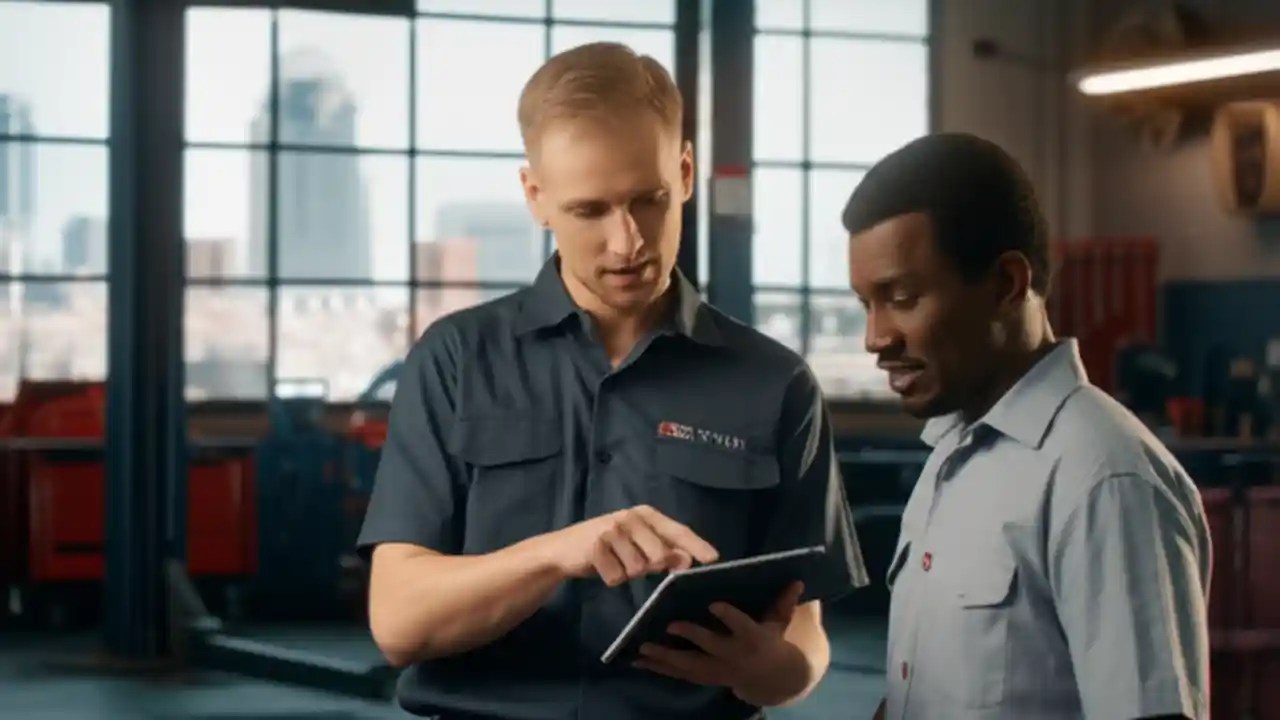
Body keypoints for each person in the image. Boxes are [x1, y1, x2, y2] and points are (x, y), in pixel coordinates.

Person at [357, 42, 868, 720]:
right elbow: (399, 623)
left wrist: (775, 673)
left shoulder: (775, 384)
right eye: (589, 210)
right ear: (536, 197)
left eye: (648, 201)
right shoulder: (456, 361)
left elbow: (804, 632)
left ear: (685, 173)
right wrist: (556, 555)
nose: (627, 242)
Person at [843, 133, 1210, 720]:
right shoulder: (950, 454)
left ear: (1006, 285)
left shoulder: (1105, 478)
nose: (875, 338)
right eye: (867, 304)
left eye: (903, 297)